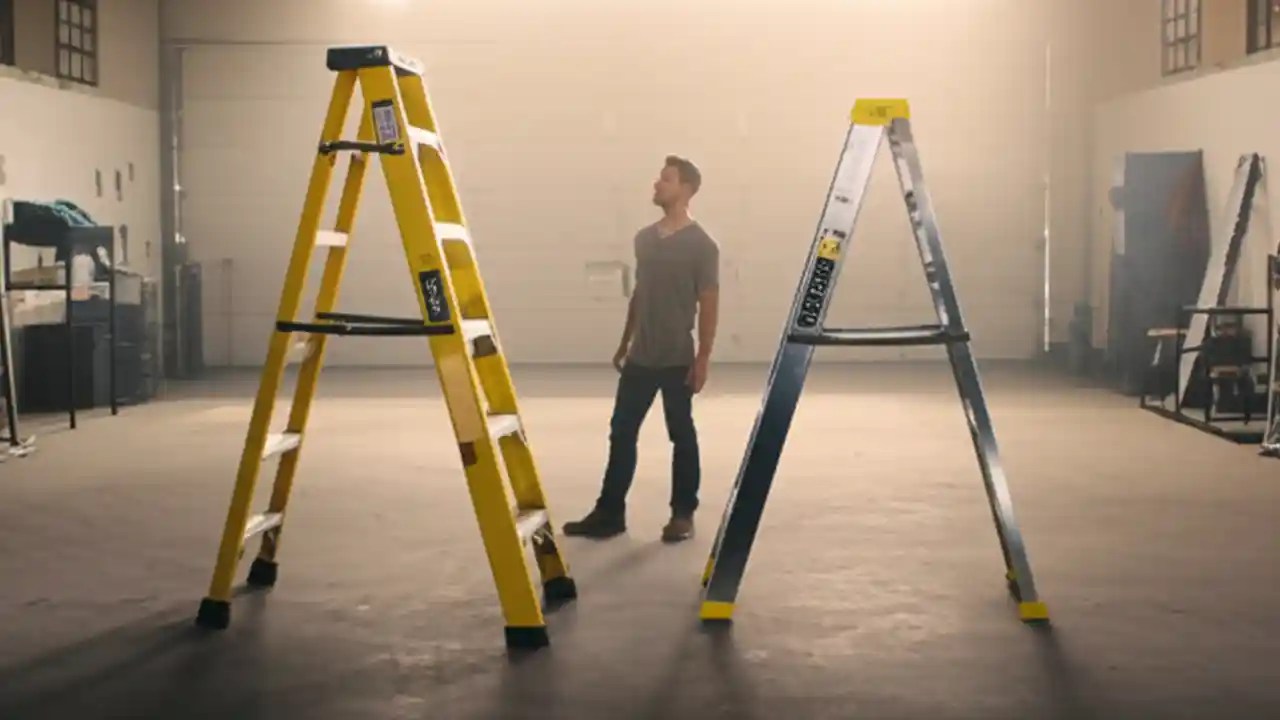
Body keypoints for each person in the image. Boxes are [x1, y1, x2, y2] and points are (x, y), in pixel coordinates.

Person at [563, 155, 720, 542]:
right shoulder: (644, 239)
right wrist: (624, 340)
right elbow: (640, 292)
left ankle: (683, 514)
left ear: (685, 189)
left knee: (680, 435)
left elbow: (710, 301)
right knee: (621, 432)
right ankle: (609, 513)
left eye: (665, 180)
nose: (657, 185)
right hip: (640, 357)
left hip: (676, 359)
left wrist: (702, 358)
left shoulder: (702, 246)